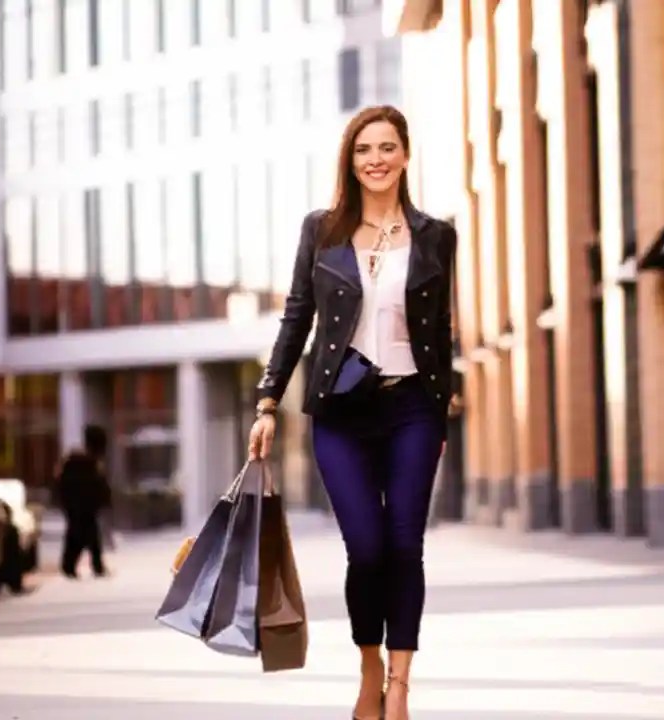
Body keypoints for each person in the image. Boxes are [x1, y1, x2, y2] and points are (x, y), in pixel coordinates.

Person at [249, 105, 456, 720]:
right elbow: (296, 318)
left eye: (388, 147)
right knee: (365, 549)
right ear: (351, 158)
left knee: (404, 545)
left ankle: (399, 682)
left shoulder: (436, 234)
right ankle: (368, 662)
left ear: (405, 155)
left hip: (414, 405)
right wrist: (267, 400)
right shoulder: (323, 231)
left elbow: (440, 330)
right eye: (365, 149)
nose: (376, 159)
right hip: (340, 412)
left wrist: (441, 413)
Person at [56, 424, 112, 579]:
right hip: (84, 507)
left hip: (76, 507)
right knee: (84, 535)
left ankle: (74, 566)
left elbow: (61, 484)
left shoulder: (72, 460)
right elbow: (99, 486)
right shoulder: (90, 463)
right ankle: (80, 566)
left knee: (79, 535)